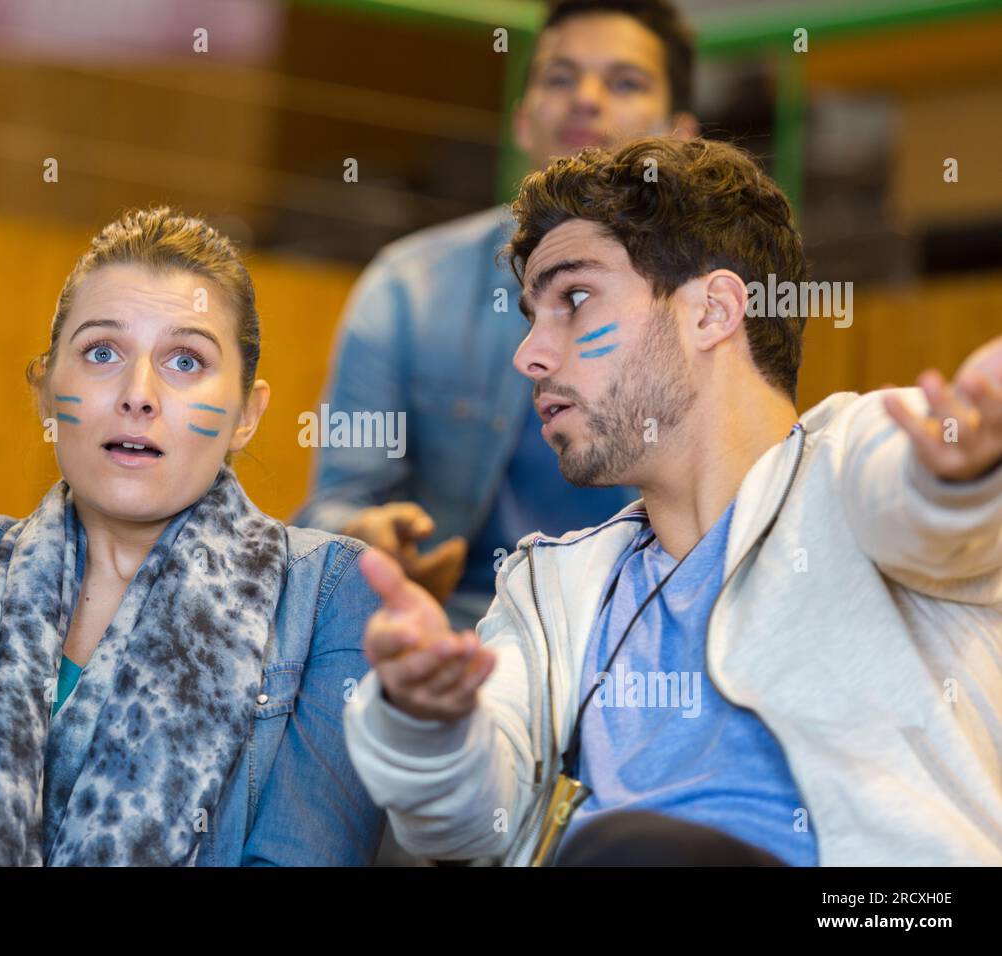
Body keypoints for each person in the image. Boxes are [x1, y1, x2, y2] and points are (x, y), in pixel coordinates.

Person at [343, 136, 1002, 866]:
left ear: (711, 311)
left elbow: (924, 508)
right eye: (532, 314)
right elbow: (468, 828)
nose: (527, 355)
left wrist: (961, 478)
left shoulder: (856, 457)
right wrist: (424, 719)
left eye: (575, 300)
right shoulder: (548, 586)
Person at [0, 207, 385, 866]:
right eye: (102, 352)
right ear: (46, 388)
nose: (138, 394)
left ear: (247, 413)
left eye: (186, 359)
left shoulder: (330, 597)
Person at [295, 0, 700, 631]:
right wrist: (368, 539)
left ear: (680, 135)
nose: (585, 99)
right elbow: (330, 508)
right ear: (522, 119)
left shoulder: (711, 302)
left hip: (637, 633)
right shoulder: (409, 286)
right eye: (559, 78)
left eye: (624, 83)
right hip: (449, 627)